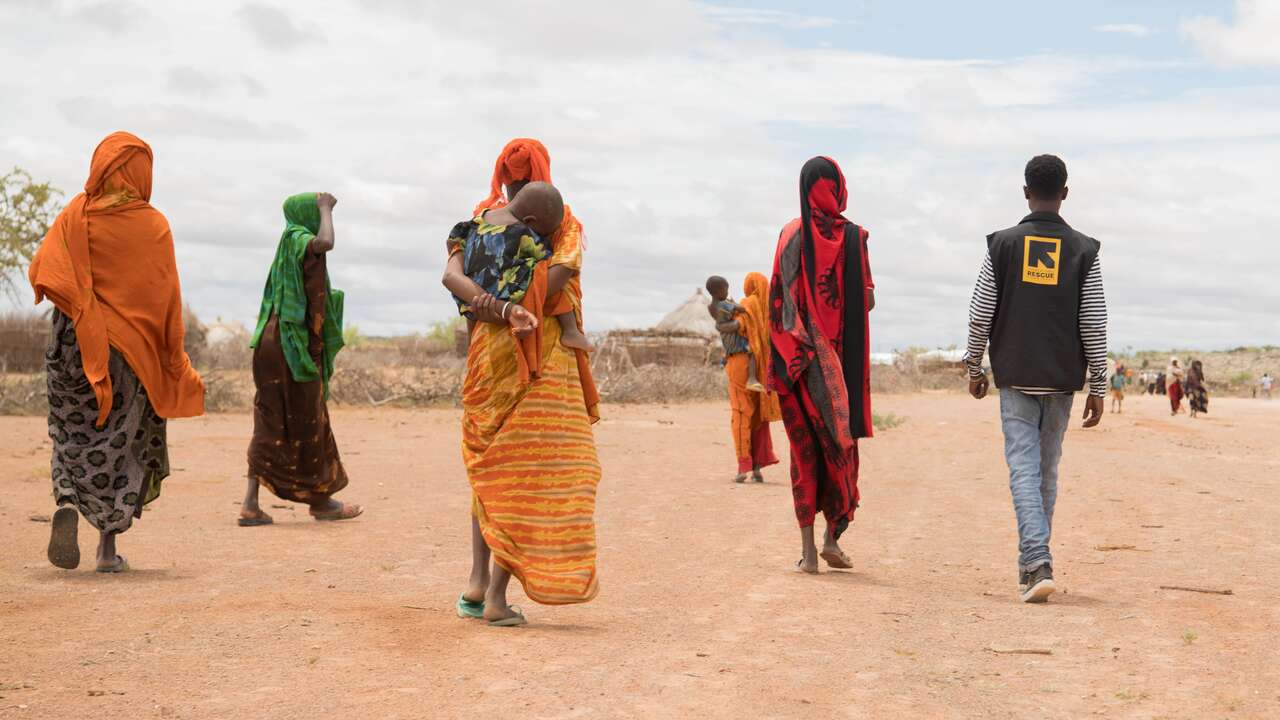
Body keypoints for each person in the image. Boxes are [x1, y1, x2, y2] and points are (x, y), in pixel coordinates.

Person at [28, 131, 205, 572]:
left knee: (71, 429)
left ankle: (68, 498)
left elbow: (44, 271)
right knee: (123, 438)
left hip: (72, 343)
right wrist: (172, 361)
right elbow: (166, 299)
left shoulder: (76, 213)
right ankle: (107, 550)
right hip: (128, 354)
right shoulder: (154, 225)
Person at [443, 181, 601, 627]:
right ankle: (495, 595)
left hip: (482, 355)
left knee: (489, 467)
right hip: (528, 350)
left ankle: (477, 583)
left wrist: (490, 305)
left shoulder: (469, 227)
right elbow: (548, 286)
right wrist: (519, 306)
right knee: (527, 471)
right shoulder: (550, 235)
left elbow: (450, 277)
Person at [963, 154, 1107, 604]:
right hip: (1061, 380)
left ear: (1025, 191)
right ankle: (1034, 562)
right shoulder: (1084, 250)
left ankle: (1036, 562)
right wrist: (1098, 384)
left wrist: (974, 365)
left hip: (1017, 376)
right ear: (1065, 193)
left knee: (1023, 470)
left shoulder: (1002, 245)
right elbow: (1094, 321)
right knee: (1045, 472)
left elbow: (980, 309)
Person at [769, 156, 875, 575]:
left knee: (804, 454)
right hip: (840, 372)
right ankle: (833, 537)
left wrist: (792, 354)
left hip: (798, 364)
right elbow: (867, 299)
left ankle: (809, 553)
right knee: (841, 452)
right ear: (837, 188)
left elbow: (780, 299)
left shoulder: (789, 234)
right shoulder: (856, 237)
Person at [238, 193, 360, 526]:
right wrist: (326, 209)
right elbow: (326, 241)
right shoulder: (300, 238)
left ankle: (250, 504)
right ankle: (321, 502)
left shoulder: (286, 243)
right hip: (291, 345)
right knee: (311, 418)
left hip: (270, 341)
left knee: (270, 418)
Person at [474, 138, 594, 354]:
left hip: (490, 337)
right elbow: (562, 271)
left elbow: (461, 276)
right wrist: (514, 306)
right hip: (547, 343)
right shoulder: (562, 220)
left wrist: (499, 307)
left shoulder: (482, 220)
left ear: (503, 175)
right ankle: (571, 330)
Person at [449, 184, 566, 341]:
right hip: (513, 319)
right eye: (543, 233)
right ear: (529, 221)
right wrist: (507, 308)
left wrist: (502, 309)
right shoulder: (527, 237)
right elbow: (554, 277)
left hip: (474, 309)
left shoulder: (467, 229)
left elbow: (449, 277)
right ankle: (571, 330)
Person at [709, 273, 781, 483]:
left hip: (740, 362)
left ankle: (743, 466)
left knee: (741, 412)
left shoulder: (746, 304)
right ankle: (758, 466)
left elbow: (738, 325)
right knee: (759, 413)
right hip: (763, 366)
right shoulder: (770, 308)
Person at [706, 275, 766, 392]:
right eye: (726, 290)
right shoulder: (724, 304)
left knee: (730, 349)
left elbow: (721, 323)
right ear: (718, 291)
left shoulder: (711, 307)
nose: (727, 293)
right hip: (735, 337)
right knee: (752, 351)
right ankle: (752, 379)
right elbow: (742, 308)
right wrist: (736, 305)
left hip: (726, 337)